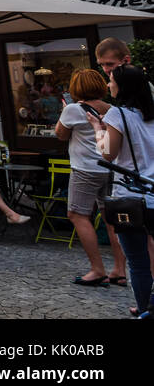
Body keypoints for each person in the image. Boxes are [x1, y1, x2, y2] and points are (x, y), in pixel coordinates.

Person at [86, 64, 154, 318]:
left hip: (130, 197)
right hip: (153, 195)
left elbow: (108, 153)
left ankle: (146, 309)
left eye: (111, 80)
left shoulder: (118, 115)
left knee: (138, 262)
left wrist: (97, 129)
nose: (108, 85)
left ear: (123, 86)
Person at [56, 68, 127, 284]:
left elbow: (60, 134)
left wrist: (65, 110)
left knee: (77, 215)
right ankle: (120, 270)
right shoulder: (112, 109)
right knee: (111, 219)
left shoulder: (73, 110)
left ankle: (97, 269)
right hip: (111, 169)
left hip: (85, 169)